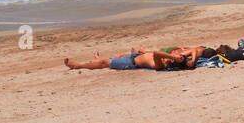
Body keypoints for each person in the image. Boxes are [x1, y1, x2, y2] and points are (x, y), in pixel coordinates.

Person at [65, 46, 212, 71]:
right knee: (105, 60)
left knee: (104, 63)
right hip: (136, 56)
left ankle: (78, 66)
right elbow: (193, 50)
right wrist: (191, 59)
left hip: (131, 62)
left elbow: (156, 53)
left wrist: (174, 57)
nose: (180, 55)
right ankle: (96, 59)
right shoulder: (173, 59)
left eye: (179, 57)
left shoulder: (160, 64)